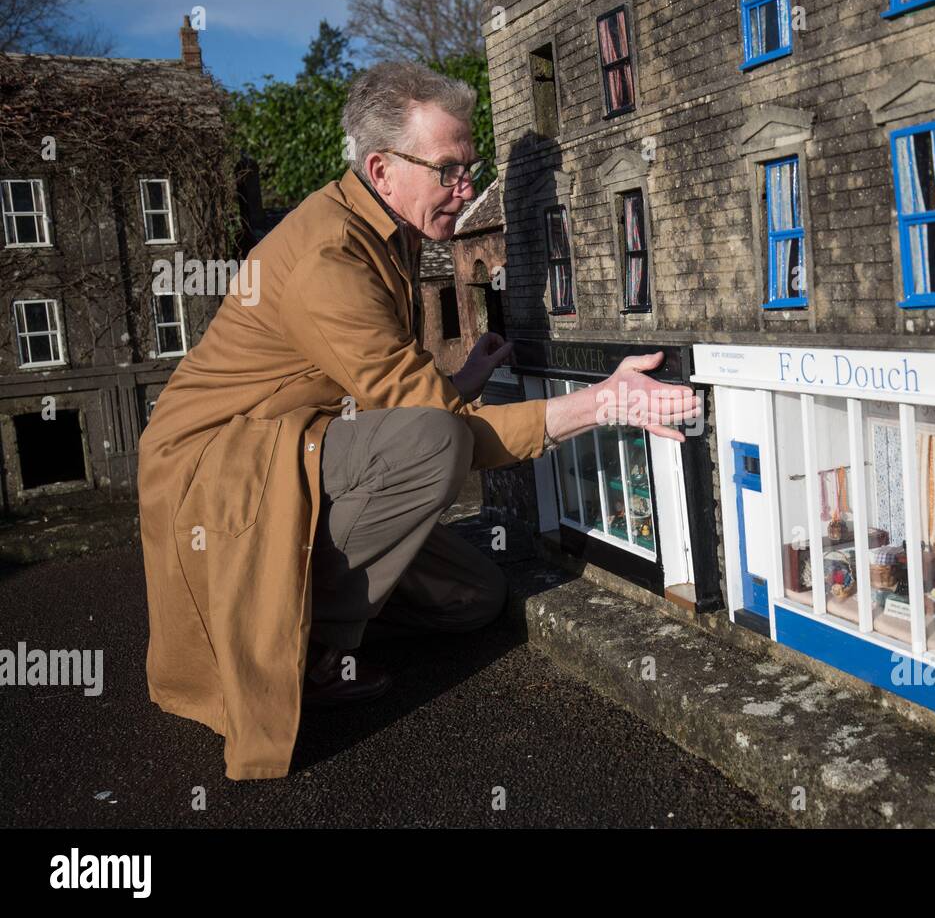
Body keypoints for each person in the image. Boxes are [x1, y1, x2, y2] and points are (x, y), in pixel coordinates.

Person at [136, 61, 699, 780]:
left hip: (299, 446)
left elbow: (382, 387)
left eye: (471, 168)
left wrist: (463, 378)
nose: (465, 191)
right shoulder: (327, 256)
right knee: (434, 441)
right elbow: (433, 429)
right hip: (221, 469)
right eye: (449, 171)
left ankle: (305, 599)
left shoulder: (387, 231)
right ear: (381, 167)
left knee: (475, 598)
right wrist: (605, 403)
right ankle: (309, 656)